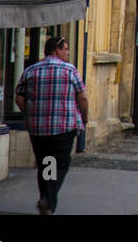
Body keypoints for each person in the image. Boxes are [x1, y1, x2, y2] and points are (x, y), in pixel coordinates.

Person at [15, 35, 88, 214]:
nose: (68, 52)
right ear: (56, 50)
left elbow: (19, 97)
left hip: (38, 128)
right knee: (60, 164)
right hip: (63, 127)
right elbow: (83, 97)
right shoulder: (70, 70)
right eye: (65, 49)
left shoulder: (31, 70)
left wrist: (29, 114)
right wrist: (84, 118)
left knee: (45, 163)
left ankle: (46, 199)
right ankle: (48, 200)